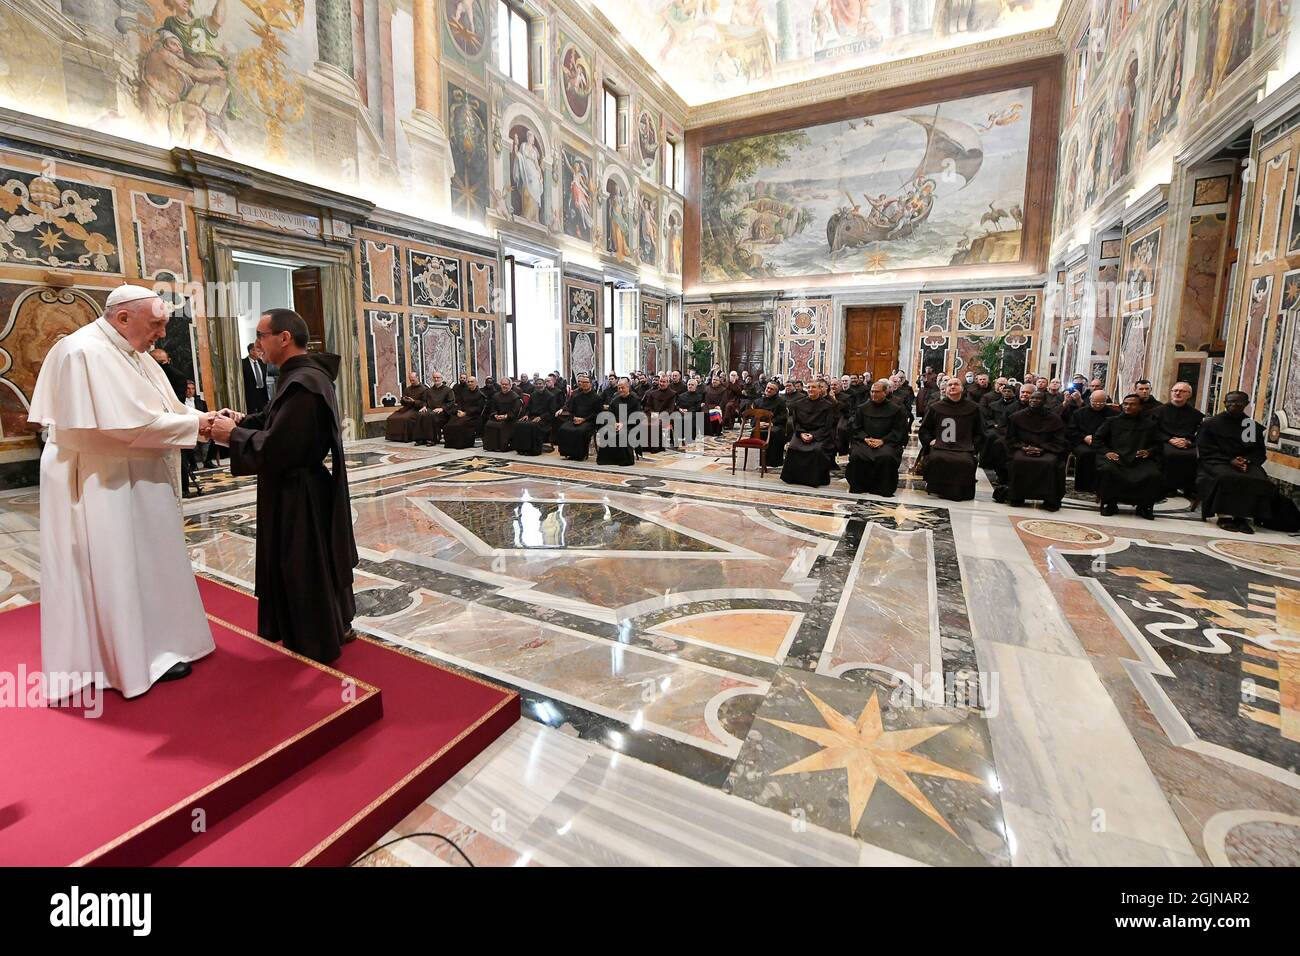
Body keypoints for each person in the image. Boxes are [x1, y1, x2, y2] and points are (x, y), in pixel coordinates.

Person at [28, 284, 217, 698]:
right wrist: (199, 427)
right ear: (124, 318)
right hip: (101, 479)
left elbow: (164, 409)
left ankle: (160, 643)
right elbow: (121, 427)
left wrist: (205, 417)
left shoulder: (136, 353)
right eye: (156, 325)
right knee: (114, 562)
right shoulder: (84, 352)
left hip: (136, 473)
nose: (161, 335)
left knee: (147, 558)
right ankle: (125, 659)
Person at [210, 308, 358, 664]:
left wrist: (234, 437)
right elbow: (277, 419)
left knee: (303, 565)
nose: (258, 343)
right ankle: (328, 625)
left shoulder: (305, 383)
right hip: (296, 488)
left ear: (284, 338)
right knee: (306, 563)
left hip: (300, 492)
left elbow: (283, 447)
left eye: (262, 335)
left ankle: (315, 638)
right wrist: (244, 422)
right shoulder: (298, 378)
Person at [1196, 391, 1275, 533]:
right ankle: (1224, 517)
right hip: (1216, 460)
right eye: (1230, 402)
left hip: (1245, 463)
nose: (1233, 405)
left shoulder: (1250, 426)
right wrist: (1230, 460)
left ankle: (1242, 518)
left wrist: (1247, 460)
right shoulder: (1211, 423)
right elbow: (1205, 448)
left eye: (1238, 402)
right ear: (1224, 403)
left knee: (1258, 478)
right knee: (1227, 477)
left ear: (1246, 404)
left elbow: (1257, 451)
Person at [1093, 394, 1163, 519]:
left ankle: (1144, 506)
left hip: (1139, 460)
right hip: (1117, 458)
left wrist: (1149, 452)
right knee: (1107, 470)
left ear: (1140, 406)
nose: (1128, 406)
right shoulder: (1112, 421)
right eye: (1125, 404)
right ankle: (1110, 503)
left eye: (1132, 404)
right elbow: (1097, 439)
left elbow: (1158, 444)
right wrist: (1106, 452)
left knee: (1153, 474)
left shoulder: (1150, 424)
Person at [918, 377, 985, 501]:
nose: (952, 387)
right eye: (950, 385)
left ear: (962, 388)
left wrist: (973, 446)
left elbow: (980, 432)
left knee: (966, 462)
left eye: (956, 384)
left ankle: (962, 491)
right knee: (937, 458)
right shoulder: (935, 407)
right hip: (941, 445)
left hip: (964, 447)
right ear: (945, 389)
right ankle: (937, 488)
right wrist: (930, 441)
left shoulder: (973, 408)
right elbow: (924, 429)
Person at [1002, 390, 1067, 510]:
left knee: (1050, 463)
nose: (1033, 401)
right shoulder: (1017, 417)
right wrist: (1023, 447)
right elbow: (1010, 438)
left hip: (1047, 450)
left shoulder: (1054, 419)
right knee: (1018, 461)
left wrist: (1042, 448)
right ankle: (1017, 496)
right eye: (1032, 398)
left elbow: (1059, 441)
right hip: (1022, 448)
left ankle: (1049, 499)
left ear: (1044, 401)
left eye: (1037, 398)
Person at [846, 379, 908, 496]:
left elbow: (899, 430)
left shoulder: (896, 410)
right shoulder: (862, 408)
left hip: (887, 442)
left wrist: (883, 440)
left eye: (877, 392)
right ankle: (859, 486)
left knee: (886, 456)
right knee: (857, 455)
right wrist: (865, 438)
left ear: (885, 393)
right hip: (865, 441)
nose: (874, 394)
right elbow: (856, 427)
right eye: (872, 391)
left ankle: (883, 488)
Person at [1152, 382, 1203, 503]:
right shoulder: (1158, 411)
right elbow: (1153, 430)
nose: (1178, 393)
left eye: (1182, 391)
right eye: (1175, 390)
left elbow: (1201, 432)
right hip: (1164, 441)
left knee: (1194, 456)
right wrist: (1169, 439)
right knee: (1170, 454)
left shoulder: (1196, 414)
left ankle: (1189, 488)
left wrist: (1188, 442)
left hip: (1187, 443)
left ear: (1189, 395)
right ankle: (1168, 487)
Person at [780, 379, 837, 487]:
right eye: (809, 387)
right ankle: (793, 478)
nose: (811, 389)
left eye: (814, 387)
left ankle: (814, 480)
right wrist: (801, 433)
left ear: (820, 390)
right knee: (792, 447)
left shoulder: (828, 405)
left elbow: (828, 426)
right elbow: (796, 423)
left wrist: (813, 435)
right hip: (801, 433)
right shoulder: (799, 403)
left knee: (817, 450)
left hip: (820, 435)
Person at [1066, 389, 1117, 494]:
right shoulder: (1079, 413)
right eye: (1095, 402)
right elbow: (1071, 430)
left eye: (1101, 402)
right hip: (1083, 443)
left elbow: (1117, 432)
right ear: (1090, 399)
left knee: (1107, 454)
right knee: (1087, 453)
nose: (1098, 405)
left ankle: (1103, 485)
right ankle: (1084, 486)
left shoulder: (1113, 414)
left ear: (1106, 400)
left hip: (1105, 443)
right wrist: (1084, 437)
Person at [981, 382, 1021, 492]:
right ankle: (988, 461)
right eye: (1005, 391)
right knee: (990, 436)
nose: (1007, 393)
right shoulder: (994, 404)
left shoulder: (1016, 406)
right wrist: (993, 424)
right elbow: (987, 417)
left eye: (1009, 391)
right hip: (995, 427)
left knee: (1000, 441)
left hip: (1008, 429)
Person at [556, 374, 603, 460]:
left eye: (586, 382)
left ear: (591, 384)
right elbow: (571, 410)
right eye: (582, 382)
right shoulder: (577, 397)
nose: (584, 384)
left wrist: (584, 419)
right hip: (576, 420)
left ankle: (580, 454)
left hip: (589, 422)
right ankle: (568, 452)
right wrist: (574, 417)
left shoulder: (597, 398)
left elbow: (597, 414)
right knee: (563, 429)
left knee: (579, 431)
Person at [597, 377, 640, 466]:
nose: (620, 390)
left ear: (628, 387)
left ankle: (624, 460)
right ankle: (608, 460)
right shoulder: (615, 400)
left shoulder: (635, 400)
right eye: (619, 388)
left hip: (630, 426)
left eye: (622, 388)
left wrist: (623, 424)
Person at [512, 372, 558, 455]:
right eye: (536, 384)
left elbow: (551, 412)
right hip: (532, 416)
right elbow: (528, 408)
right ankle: (522, 448)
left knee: (533, 425)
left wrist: (541, 417)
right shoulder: (533, 395)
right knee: (519, 423)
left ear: (544, 385)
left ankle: (533, 450)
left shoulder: (551, 396)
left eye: (540, 384)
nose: (538, 386)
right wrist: (526, 415)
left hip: (545, 419)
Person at [385, 372, 432, 443]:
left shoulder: (424, 389)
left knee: (405, 418)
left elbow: (425, 403)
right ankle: (394, 437)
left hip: (416, 409)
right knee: (391, 418)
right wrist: (404, 400)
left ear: (417, 378)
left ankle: (406, 437)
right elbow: (402, 402)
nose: (412, 382)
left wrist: (414, 401)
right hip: (406, 408)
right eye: (410, 380)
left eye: (413, 380)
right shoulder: (407, 389)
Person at [751, 380, 788, 466]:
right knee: (755, 431)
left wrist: (771, 423)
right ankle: (756, 460)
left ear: (776, 392)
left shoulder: (781, 402)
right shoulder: (757, 402)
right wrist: (757, 423)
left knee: (774, 433)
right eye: (768, 388)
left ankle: (772, 461)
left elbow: (783, 417)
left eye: (771, 389)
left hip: (776, 426)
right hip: (760, 425)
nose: (768, 390)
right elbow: (753, 416)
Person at [443, 375, 485, 448]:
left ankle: (461, 444)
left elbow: (478, 408)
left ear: (476, 383)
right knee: (448, 425)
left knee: (459, 425)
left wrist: (465, 413)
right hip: (461, 413)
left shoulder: (480, 395)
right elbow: (459, 403)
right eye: (468, 382)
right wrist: (458, 411)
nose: (470, 383)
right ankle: (451, 444)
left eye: (472, 382)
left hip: (473, 416)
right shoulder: (464, 393)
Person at [482, 376, 523, 451]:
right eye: (502, 384)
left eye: (506, 384)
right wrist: (495, 415)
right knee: (489, 423)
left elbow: (515, 411)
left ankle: (502, 446)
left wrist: (506, 416)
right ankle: (491, 446)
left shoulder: (515, 397)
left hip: (509, 419)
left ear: (510, 385)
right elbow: (493, 408)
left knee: (502, 425)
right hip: (497, 417)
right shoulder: (496, 396)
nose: (504, 386)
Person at [641, 374, 677, 452]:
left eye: (664, 382)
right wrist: (653, 413)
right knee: (644, 423)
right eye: (661, 381)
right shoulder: (652, 393)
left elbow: (670, 408)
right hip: (652, 415)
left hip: (665, 416)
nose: (662, 383)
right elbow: (648, 406)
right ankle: (646, 446)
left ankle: (656, 447)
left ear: (668, 383)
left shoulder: (672, 394)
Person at [421, 371, 457, 445]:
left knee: (431, 416)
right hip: (431, 410)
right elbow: (424, 400)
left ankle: (433, 439)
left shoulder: (448, 390)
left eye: (438, 377)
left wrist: (442, 408)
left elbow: (451, 402)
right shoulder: (429, 390)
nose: (436, 379)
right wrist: (424, 406)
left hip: (443, 412)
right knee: (420, 414)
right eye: (434, 378)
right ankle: (421, 439)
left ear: (441, 378)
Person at [241, 342, 269, 413]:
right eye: (258, 351)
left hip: (262, 394)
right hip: (250, 395)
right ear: (251, 351)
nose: (261, 353)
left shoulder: (263, 363)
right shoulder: (242, 364)